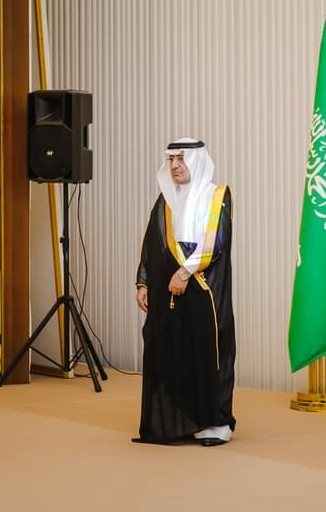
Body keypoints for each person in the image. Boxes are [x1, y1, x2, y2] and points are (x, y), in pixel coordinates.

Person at [134, 138, 235, 446]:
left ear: (196, 160)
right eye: (171, 160)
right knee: (172, 351)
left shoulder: (216, 195)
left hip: (201, 287)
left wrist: (184, 272)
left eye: (181, 158)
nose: (175, 165)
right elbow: (151, 243)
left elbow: (215, 241)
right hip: (166, 289)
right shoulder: (165, 200)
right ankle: (184, 420)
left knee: (207, 352)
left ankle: (217, 423)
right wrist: (143, 282)